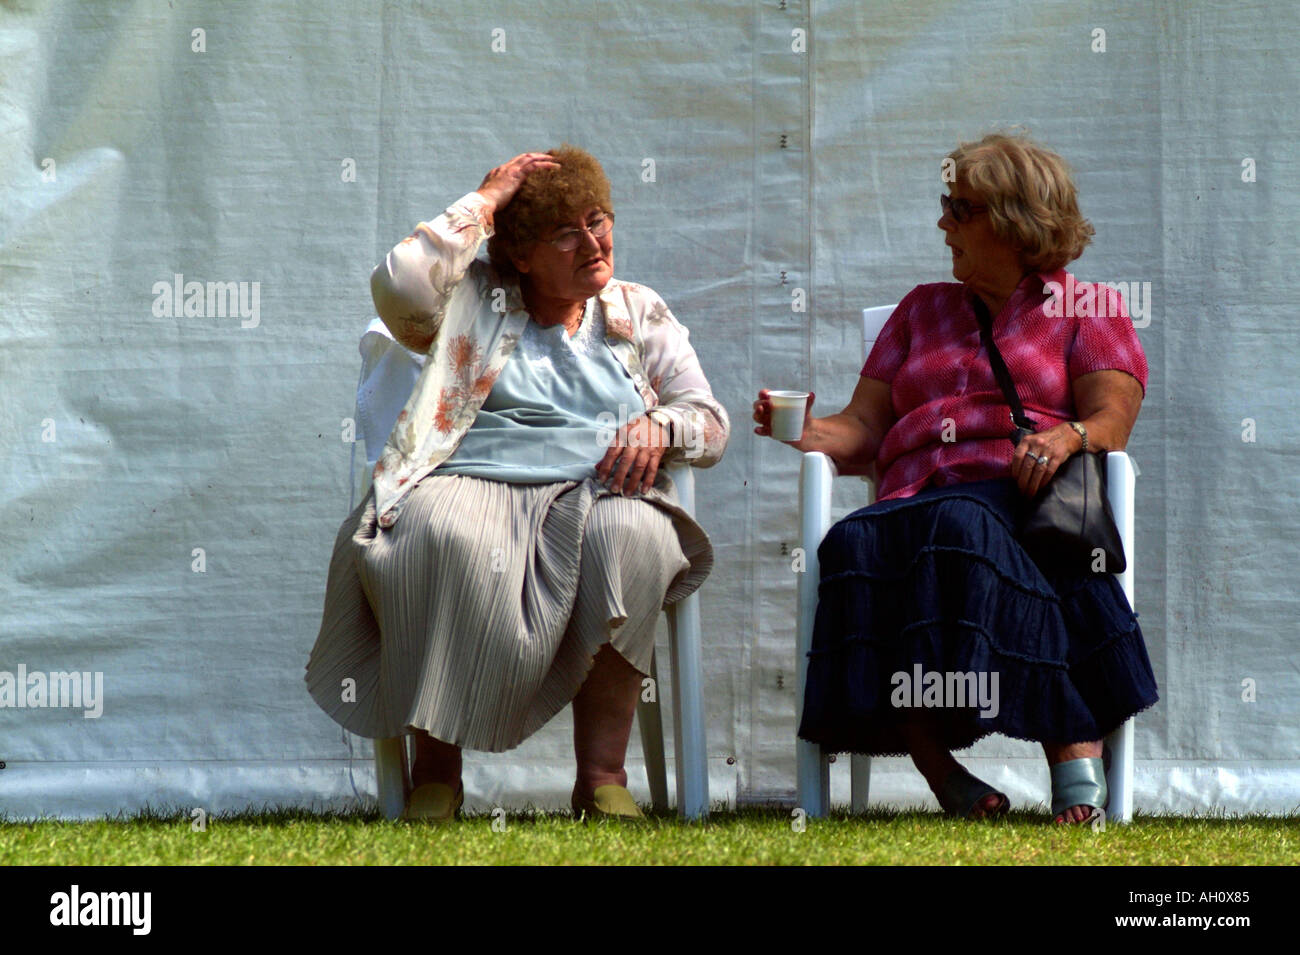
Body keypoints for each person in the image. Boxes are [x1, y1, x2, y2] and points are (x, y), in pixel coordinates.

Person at [306, 146, 729, 821]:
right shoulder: (474, 298)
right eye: (567, 232)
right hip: (474, 479)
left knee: (635, 533)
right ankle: (437, 774)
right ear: (522, 255)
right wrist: (485, 202)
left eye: (599, 220)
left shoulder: (637, 310)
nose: (593, 242)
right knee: (432, 531)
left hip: (600, 488)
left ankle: (602, 778)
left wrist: (663, 427)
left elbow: (710, 422)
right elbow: (401, 289)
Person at [754, 132, 1158, 823]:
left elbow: (1112, 418)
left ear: (1013, 221)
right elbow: (864, 430)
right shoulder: (920, 310)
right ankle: (942, 771)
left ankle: (1074, 762)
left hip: (1020, 497)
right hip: (912, 503)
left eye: (959, 208)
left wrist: (1068, 436)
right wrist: (803, 431)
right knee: (851, 543)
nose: (944, 222)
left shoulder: (1086, 308)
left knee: (959, 525)